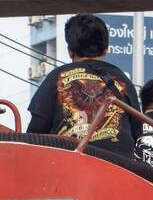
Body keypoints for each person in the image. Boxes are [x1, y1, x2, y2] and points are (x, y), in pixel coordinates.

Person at [26, 14, 144, 156]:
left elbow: (35, 132)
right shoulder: (122, 80)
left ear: (70, 51)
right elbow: (138, 132)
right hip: (121, 168)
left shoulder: (56, 77)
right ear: (106, 48)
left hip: (70, 165)